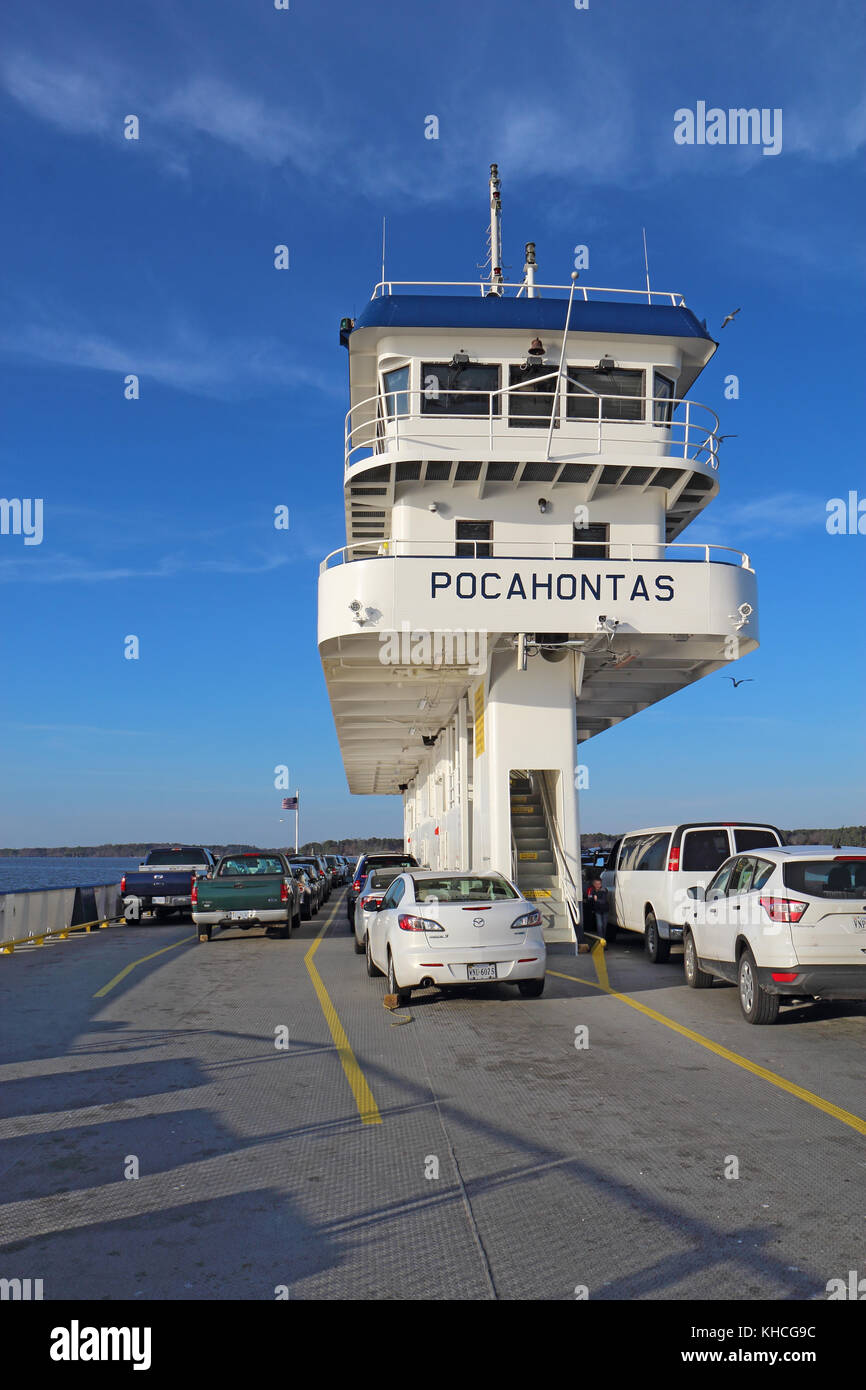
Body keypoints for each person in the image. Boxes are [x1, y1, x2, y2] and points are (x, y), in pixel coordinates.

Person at [583, 876, 609, 941]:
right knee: (599, 926)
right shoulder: (591, 890)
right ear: (593, 884)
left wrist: (596, 899)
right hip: (597, 910)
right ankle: (601, 941)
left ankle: (603, 939)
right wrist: (592, 898)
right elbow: (589, 898)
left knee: (604, 926)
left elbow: (603, 900)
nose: (598, 885)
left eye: (599, 884)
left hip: (605, 910)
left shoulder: (604, 890)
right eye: (596, 884)